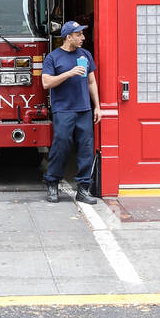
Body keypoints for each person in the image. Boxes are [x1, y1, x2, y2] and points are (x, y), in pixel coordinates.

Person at [41, 20, 103, 204]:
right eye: (79, 34)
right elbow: (46, 83)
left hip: (84, 109)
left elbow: (91, 82)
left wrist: (97, 106)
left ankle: (83, 189)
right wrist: (69, 73)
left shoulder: (85, 55)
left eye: (83, 34)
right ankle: (52, 183)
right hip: (63, 110)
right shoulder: (53, 58)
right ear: (68, 37)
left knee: (85, 149)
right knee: (61, 147)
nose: (83, 38)